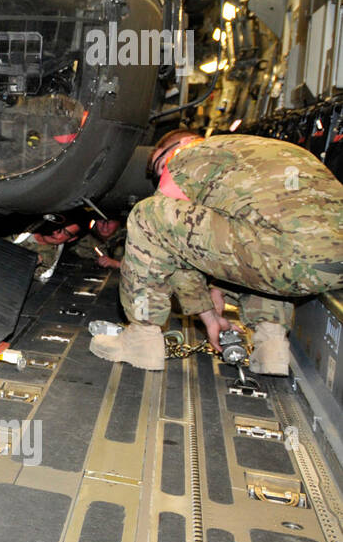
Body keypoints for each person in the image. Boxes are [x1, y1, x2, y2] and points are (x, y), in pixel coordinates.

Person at [90, 129, 343, 374]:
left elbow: (169, 241)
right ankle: (272, 345)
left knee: (149, 214)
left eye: (160, 165)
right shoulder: (262, 153)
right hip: (331, 268)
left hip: (284, 254)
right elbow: (253, 230)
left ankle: (141, 341)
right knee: (269, 236)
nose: (163, 175)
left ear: (183, 143)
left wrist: (208, 315)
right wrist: (215, 297)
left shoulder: (191, 154)